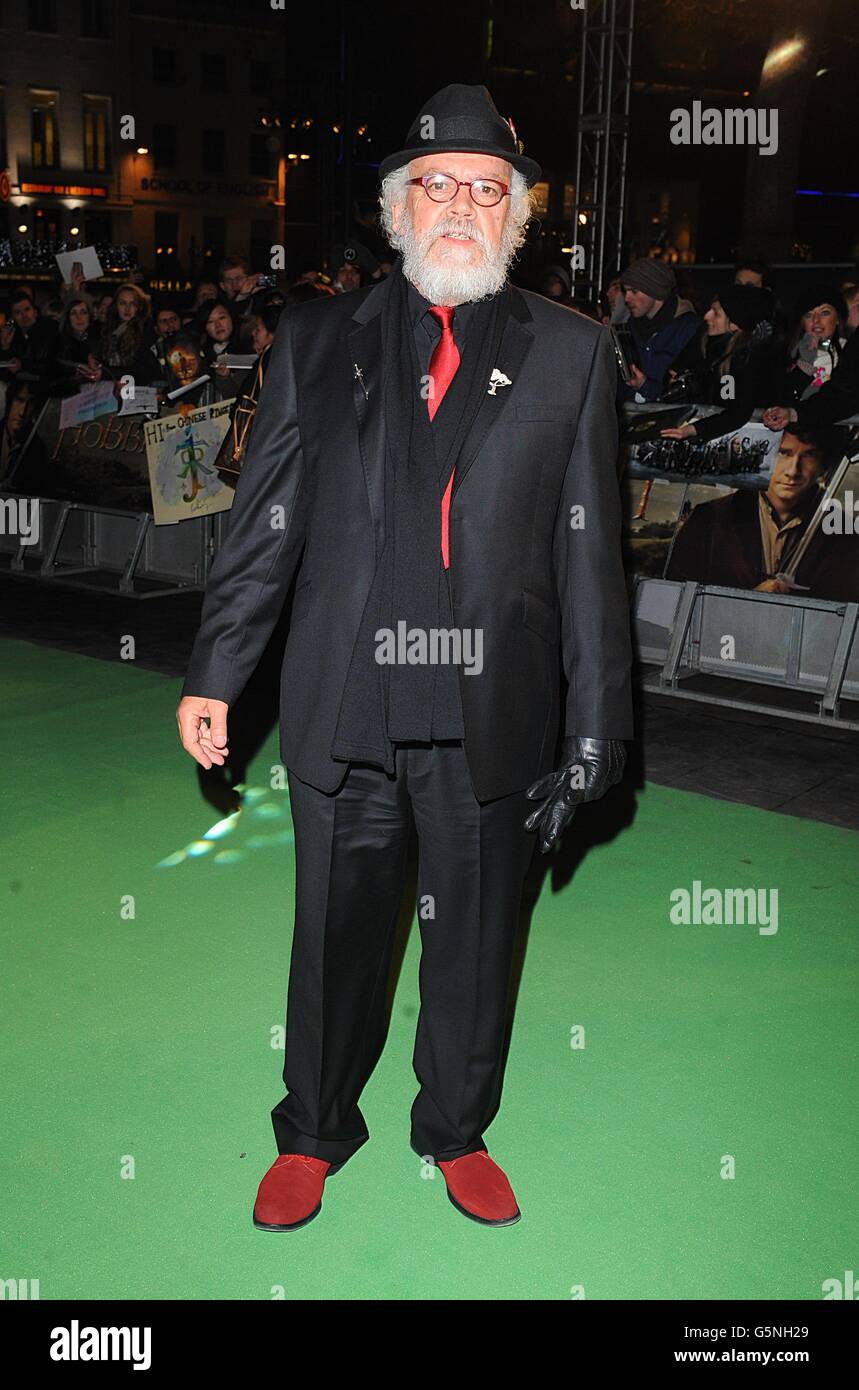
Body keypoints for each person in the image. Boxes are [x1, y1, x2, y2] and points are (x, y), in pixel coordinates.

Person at [176, 82, 632, 1233]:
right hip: (349, 697)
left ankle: (457, 1126)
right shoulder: (319, 339)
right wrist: (216, 671)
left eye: (489, 189)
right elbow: (262, 523)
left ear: (518, 216)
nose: (462, 207)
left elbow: (591, 560)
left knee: (477, 938)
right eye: (438, 185)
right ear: (397, 209)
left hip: (495, 704)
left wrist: (597, 726)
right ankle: (316, 1128)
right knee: (334, 933)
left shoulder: (573, 354)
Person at [666, 425, 858, 601]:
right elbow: (674, 599)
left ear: (824, 465)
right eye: (783, 453)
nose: (793, 470)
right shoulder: (708, 519)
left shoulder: (845, 533)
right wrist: (747, 602)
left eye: (809, 455)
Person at [660, 284, 784, 443]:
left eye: (716, 314)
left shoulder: (750, 359)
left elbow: (736, 412)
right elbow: (677, 369)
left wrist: (692, 430)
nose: (707, 316)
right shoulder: (709, 343)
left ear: (734, 324)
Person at [617, 258, 699, 401]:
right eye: (626, 291)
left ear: (654, 291)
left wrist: (645, 386)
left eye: (634, 291)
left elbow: (688, 391)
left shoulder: (687, 329)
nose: (627, 298)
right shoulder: (629, 328)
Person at [100, 283, 160, 387]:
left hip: (137, 392)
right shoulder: (108, 330)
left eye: (132, 304)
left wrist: (106, 374)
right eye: (123, 303)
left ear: (139, 307)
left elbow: (143, 371)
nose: (127, 309)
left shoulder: (145, 331)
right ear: (116, 306)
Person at [0, 290, 59, 385]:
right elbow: (4, 374)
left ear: (35, 311)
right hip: (19, 389)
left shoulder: (50, 328)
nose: (24, 315)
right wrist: (5, 347)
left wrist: (22, 365)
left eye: (27, 309)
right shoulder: (13, 334)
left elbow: (51, 364)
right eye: (18, 312)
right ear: (13, 317)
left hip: (47, 386)